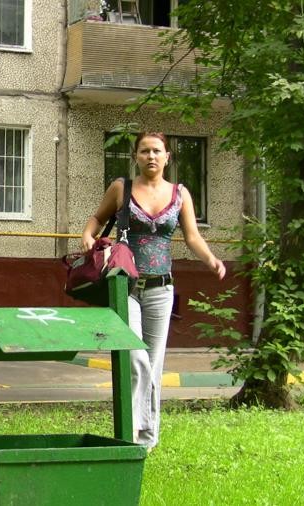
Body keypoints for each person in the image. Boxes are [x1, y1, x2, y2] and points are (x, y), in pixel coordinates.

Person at [81, 132, 226, 449]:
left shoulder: (180, 194)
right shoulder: (122, 188)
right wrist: (88, 236)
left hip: (162, 288)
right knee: (136, 358)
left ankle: (147, 438)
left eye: (157, 151)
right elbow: (97, 217)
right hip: (125, 286)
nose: (151, 156)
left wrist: (212, 259)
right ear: (136, 156)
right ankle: (133, 427)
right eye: (144, 151)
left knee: (154, 363)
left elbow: (192, 237)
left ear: (167, 157)